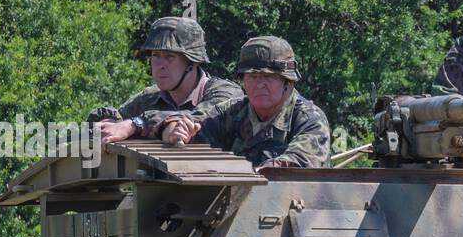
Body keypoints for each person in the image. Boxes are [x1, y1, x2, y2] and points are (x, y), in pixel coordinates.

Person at [181, 36, 330, 171]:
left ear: (288, 82)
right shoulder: (231, 112)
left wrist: (264, 171)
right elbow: (192, 127)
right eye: (252, 77)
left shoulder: (309, 119)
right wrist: (173, 129)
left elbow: (301, 161)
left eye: (268, 77)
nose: (259, 84)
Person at [90, 17, 240, 144]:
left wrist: (137, 124)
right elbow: (119, 120)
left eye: (169, 57)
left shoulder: (225, 94)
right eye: (155, 55)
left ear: (192, 63)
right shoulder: (149, 97)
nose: (160, 65)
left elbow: (198, 120)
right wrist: (105, 124)